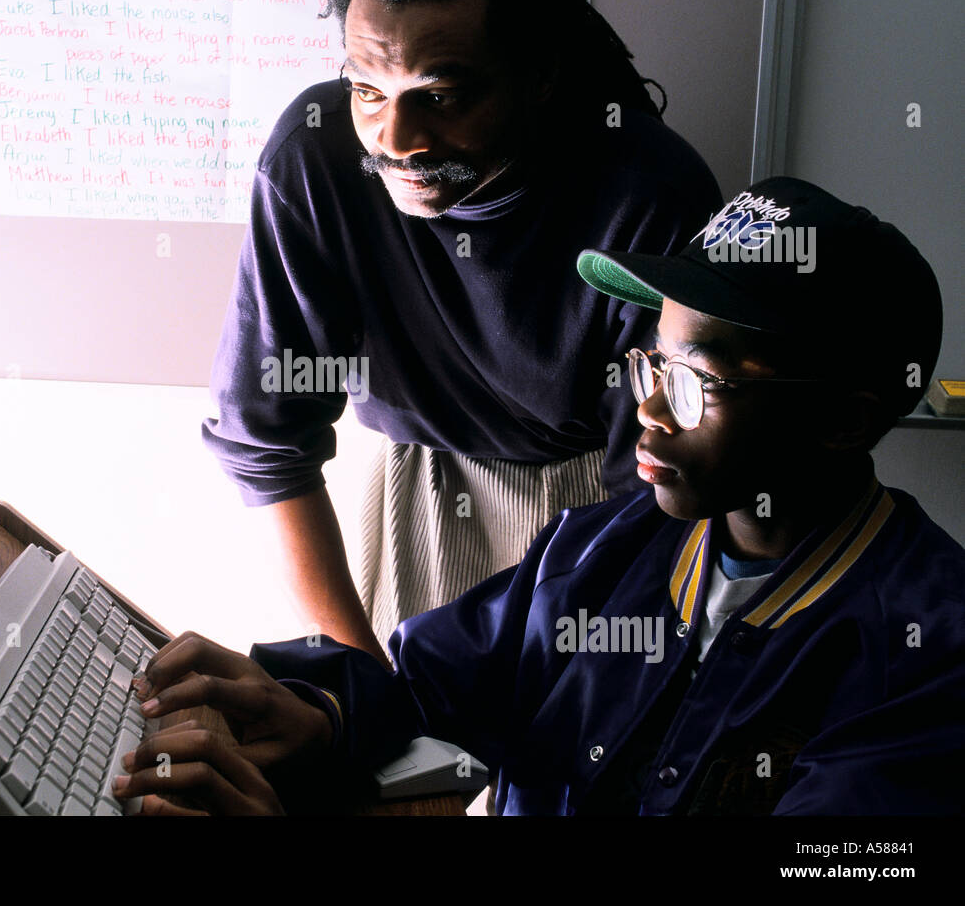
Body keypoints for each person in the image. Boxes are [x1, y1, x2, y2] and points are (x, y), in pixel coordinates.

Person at [117, 177, 965, 814]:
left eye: (699, 380)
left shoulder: (930, 650)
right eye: (651, 361)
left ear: (845, 422)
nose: (649, 407)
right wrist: (311, 710)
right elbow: (429, 680)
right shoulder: (605, 550)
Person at [202, 0, 723, 666]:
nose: (396, 140)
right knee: (414, 766)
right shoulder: (314, 158)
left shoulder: (650, 194)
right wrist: (367, 683)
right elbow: (266, 446)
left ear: (540, 74)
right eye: (367, 90)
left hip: (598, 514)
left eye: (440, 97)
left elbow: (652, 489)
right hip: (414, 499)